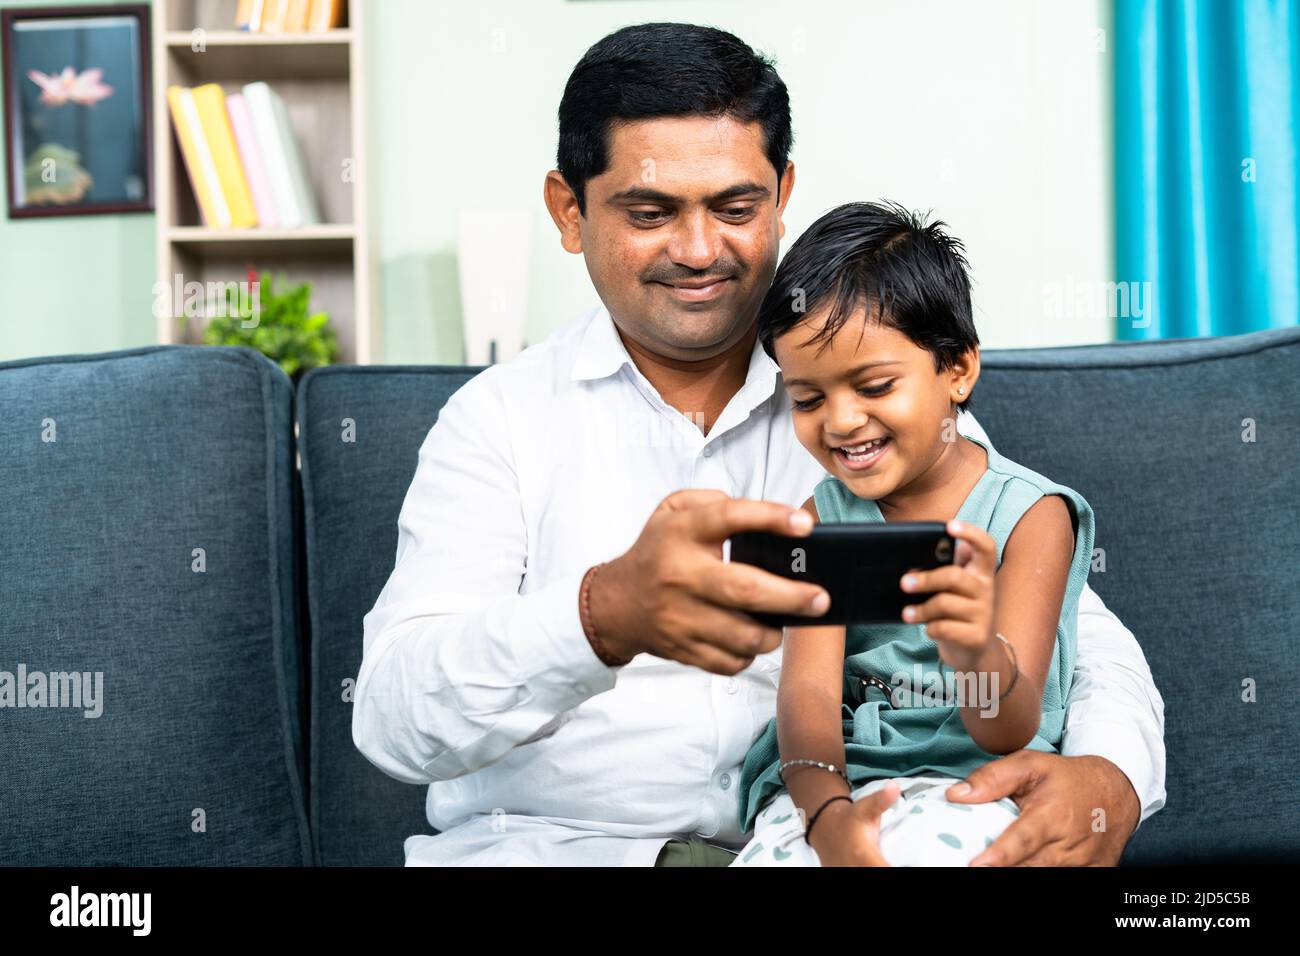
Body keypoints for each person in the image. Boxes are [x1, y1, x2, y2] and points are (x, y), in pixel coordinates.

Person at [351, 22, 1165, 867]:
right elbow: (392, 719)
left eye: (736, 208)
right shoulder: (498, 423)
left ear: (782, 194)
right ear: (570, 210)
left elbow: (1079, 635)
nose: (700, 251)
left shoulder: (890, 406)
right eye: (650, 211)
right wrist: (599, 616)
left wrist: (1112, 779)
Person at [732, 200, 1094, 867]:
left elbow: (1007, 726)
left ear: (955, 369)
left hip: (974, 789)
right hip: (835, 786)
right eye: (807, 398)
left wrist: (972, 647)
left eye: (873, 385)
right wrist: (827, 817)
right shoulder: (823, 522)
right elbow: (808, 696)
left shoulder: (1030, 517)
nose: (840, 421)